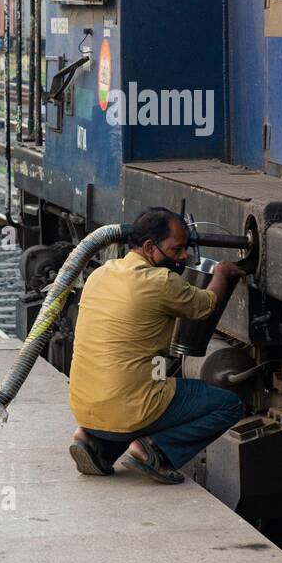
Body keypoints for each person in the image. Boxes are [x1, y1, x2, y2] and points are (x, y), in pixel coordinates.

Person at [68, 207, 245, 484]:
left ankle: (95, 444)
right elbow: (206, 305)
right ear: (150, 247)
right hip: (128, 406)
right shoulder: (159, 281)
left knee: (142, 386)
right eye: (177, 249)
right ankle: (155, 451)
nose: (184, 256)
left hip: (84, 404)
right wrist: (221, 273)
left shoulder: (101, 274)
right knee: (229, 404)